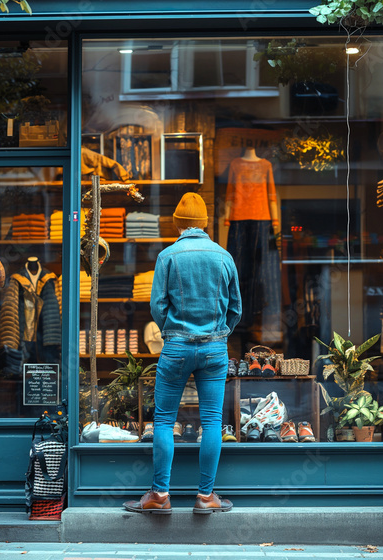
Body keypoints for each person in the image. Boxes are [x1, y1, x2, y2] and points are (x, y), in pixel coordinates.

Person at [123, 192, 241, 515]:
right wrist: (219, 334)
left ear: (178, 224)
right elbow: (236, 309)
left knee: (163, 420)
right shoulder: (224, 257)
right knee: (212, 422)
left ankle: (160, 495)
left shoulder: (168, 256)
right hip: (215, 348)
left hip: (176, 347)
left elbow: (157, 306)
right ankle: (205, 497)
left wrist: (172, 332)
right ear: (203, 224)